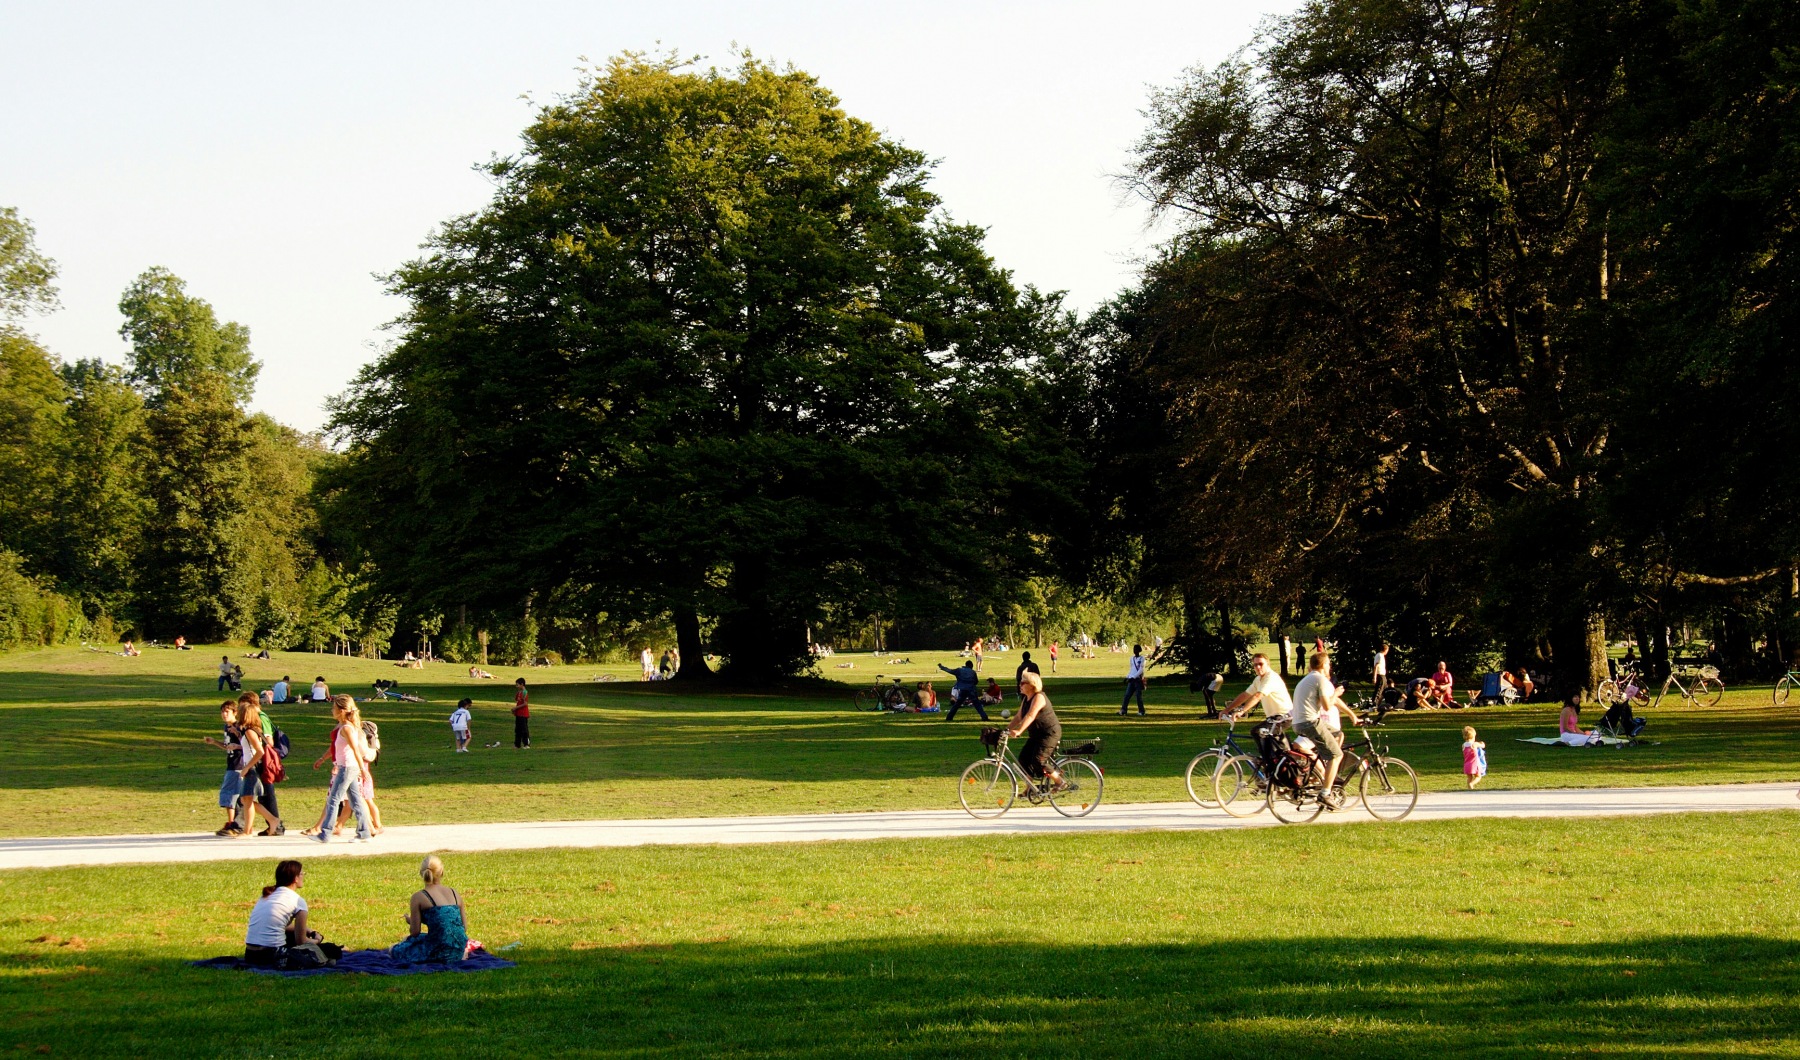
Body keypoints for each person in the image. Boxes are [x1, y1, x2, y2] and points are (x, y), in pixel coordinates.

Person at [1291, 651, 1355, 808]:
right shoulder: (1321, 680)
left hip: (1299, 723)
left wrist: (1352, 716)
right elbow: (1328, 705)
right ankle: (1325, 793)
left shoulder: (1307, 679)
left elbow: (1329, 701)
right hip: (1310, 722)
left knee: (1338, 734)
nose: (1329, 667)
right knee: (1336, 754)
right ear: (1324, 665)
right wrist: (1338, 692)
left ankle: (1323, 770)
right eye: (1328, 664)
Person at [390, 855, 470, 964]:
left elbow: (415, 932)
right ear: (442, 872)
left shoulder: (418, 897)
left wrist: (411, 921)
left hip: (437, 951)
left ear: (421, 873)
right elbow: (462, 927)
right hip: (458, 950)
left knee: (395, 949)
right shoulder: (454, 893)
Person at [244, 860, 324, 968]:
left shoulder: (267, 895)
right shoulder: (298, 901)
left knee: (290, 936)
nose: (303, 876)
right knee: (323, 954)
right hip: (272, 955)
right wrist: (317, 940)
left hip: (250, 955)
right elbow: (302, 941)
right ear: (295, 878)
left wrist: (308, 930)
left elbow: (278, 924)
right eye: (302, 873)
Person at [314, 696, 373, 843]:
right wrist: (322, 759)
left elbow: (355, 749)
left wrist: (363, 769)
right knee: (355, 800)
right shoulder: (343, 726)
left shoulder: (346, 728)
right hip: (346, 767)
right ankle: (364, 832)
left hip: (347, 768)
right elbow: (335, 747)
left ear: (341, 711)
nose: (332, 711)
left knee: (333, 799)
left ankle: (325, 834)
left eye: (334, 708)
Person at [238, 693, 285, 836]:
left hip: (253, 767)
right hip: (254, 766)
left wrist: (246, 767)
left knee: (247, 799)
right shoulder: (253, 730)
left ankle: (249, 830)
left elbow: (260, 752)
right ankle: (272, 820)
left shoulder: (250, 731)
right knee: (246, 799)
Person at [1006, 671, 1062, 789]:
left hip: (1049, 733)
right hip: (1036, 735)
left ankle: (1060, 782)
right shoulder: (1026, 698)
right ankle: (1030, 788)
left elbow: (1030, 715)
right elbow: (1019, 716)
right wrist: (1006, 730)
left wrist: (1019, 731)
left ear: (1032, 685)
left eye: (1022, 683)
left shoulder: (1039, 697)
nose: (1020, 685)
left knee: (1038, 760)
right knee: (1023, 759)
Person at [203, 700, 248, 836]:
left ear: (235, 713)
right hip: (231, 763)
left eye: (227, 711)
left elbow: (249, 745)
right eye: (222, 711)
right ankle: (235, 823)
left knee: (229, 794)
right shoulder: (226, 728)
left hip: (238, 764)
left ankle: (233, 824)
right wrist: (214, 742)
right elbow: (227, 746)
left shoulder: (239, 727)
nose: (224, 714)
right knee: (234, 795)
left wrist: (237, 736)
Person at [1223, 653, 1292, 720]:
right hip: (1273, 717)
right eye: (1255, 665)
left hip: (1284, 716)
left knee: (1257, 731)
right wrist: (1227, 709)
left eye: (1261, 664)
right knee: (1259, 730)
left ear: (1268, 664)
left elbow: (1258, 696)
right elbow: (1245, 695)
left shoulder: (1271, 677)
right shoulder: (1258, 679)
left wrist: (1242, 711)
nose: (1258, 667)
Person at [1119, 643, 1148, 715]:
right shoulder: (1132, 658)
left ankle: (1141, 711)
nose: (1134, 650)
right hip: (1131, 679)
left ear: (1139, 650)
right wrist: (1127, 677)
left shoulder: (1142, 659)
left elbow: (1141, 670)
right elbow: (1132, 669)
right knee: (1127, 695)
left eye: (1136, 649)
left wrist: (1134, 677)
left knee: (1138, 696)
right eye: (1134, 649)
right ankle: (1123, 710)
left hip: (1137, 680)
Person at [512, 677, 531, 748]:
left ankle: (526, 744)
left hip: (523, 713)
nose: (516, 686)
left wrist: (516, 708)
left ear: (522, 684)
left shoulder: (525, 692)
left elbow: (525, 703)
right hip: (518, 713)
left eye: (517, 685)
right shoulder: (519, 693)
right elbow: (518, 701)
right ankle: (517, 744)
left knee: (524, 729)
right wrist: (515, 710)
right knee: (518, 729)